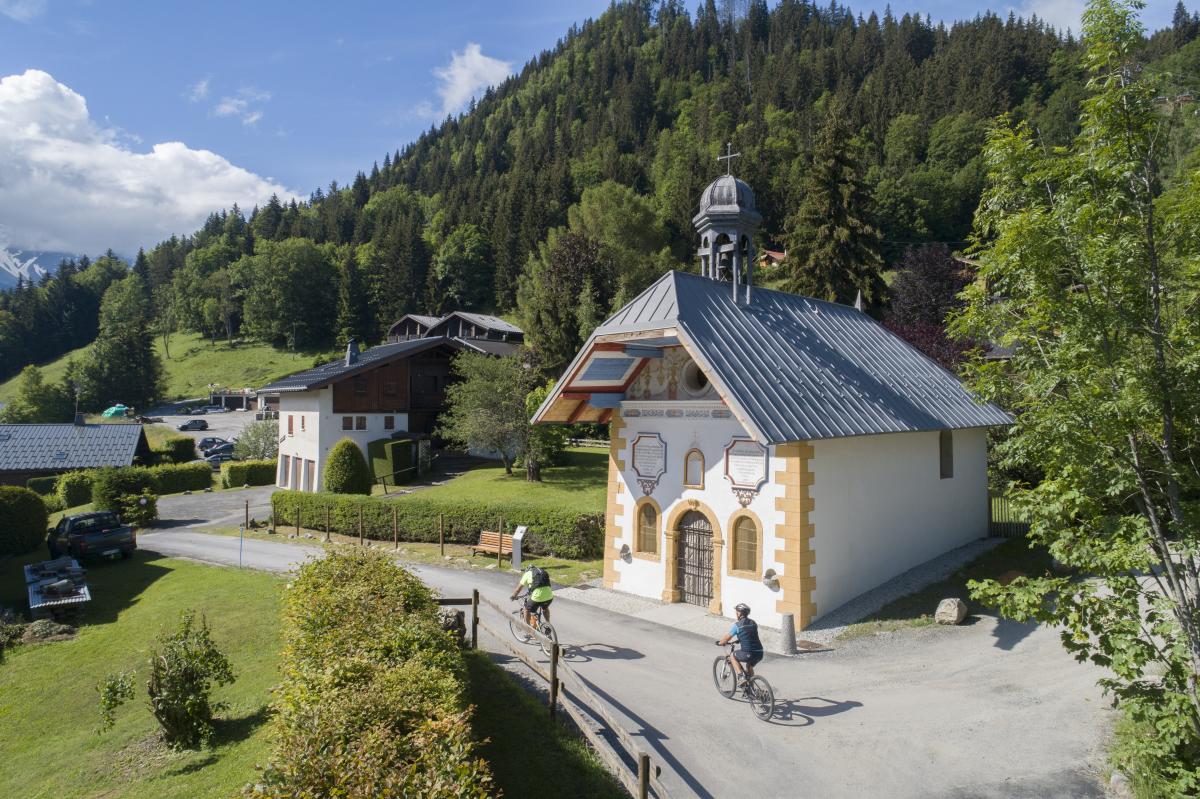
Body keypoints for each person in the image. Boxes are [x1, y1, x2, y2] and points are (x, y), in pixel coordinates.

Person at [716, 602, 764, 683]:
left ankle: (741, 677)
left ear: (739, 613)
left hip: (748, 653)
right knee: (749, 666)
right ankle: (750, 686)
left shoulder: (737, 625)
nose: (736, 613)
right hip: (759, 653)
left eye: (736, 612)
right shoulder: (753, 623)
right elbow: (750, 635)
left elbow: (726, 638)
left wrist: (720, 643)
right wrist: (740, 639)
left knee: (732, 656)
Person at [511, 564, 554, 629]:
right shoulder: (542, 572)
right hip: (549, 595)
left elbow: (518, 589)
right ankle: (548, 624)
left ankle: (529, 630)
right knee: (545, 608)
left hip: (538, 596)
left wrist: (513, 596)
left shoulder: (527, 574)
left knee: (526, 609)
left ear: (527, 570)